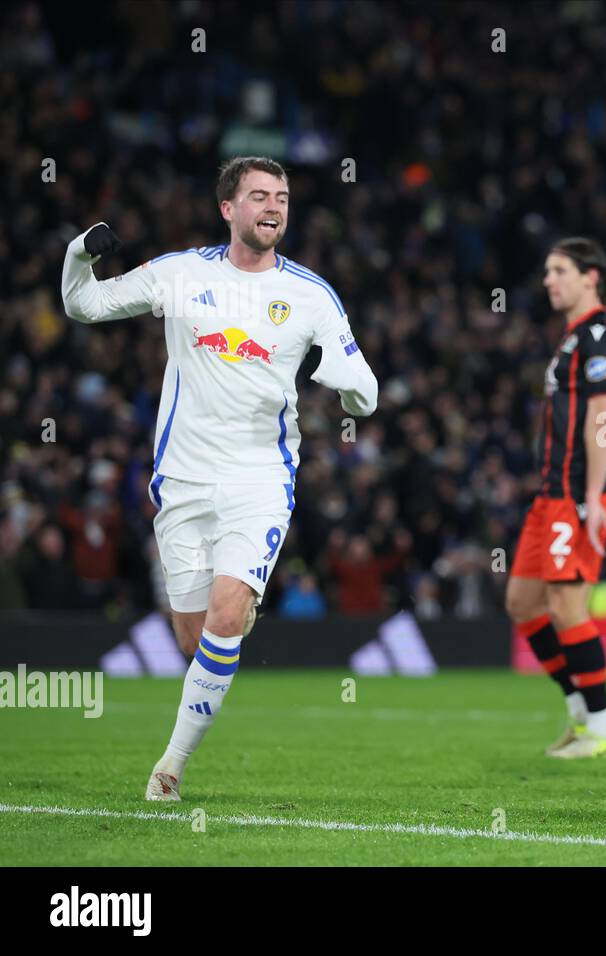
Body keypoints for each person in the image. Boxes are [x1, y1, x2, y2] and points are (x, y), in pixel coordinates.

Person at [60, 156, 379, 801]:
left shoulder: (313, 295)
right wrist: (77, 254)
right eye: (259, 195)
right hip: (181, 478)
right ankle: (232, 617)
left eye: (282, 197)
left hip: (260, 476)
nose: (273, 207)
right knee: (194, 634)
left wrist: (351, 395)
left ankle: (169, 769)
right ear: (227, 209)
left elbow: (366, 388)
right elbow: (84, 305)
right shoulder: (179, 274)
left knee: (226, 617)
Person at [505, 239, 606, 758]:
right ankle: (581, 715)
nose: (548, 280)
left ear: (591, 276)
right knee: (522, 603)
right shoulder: (573, 340)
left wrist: (594, 497)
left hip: (579, 494)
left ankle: (602, 729)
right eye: (547, 271)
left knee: (566, 604)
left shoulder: (601, 336)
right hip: (552, 492)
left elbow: (603, 419)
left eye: (559, 270)